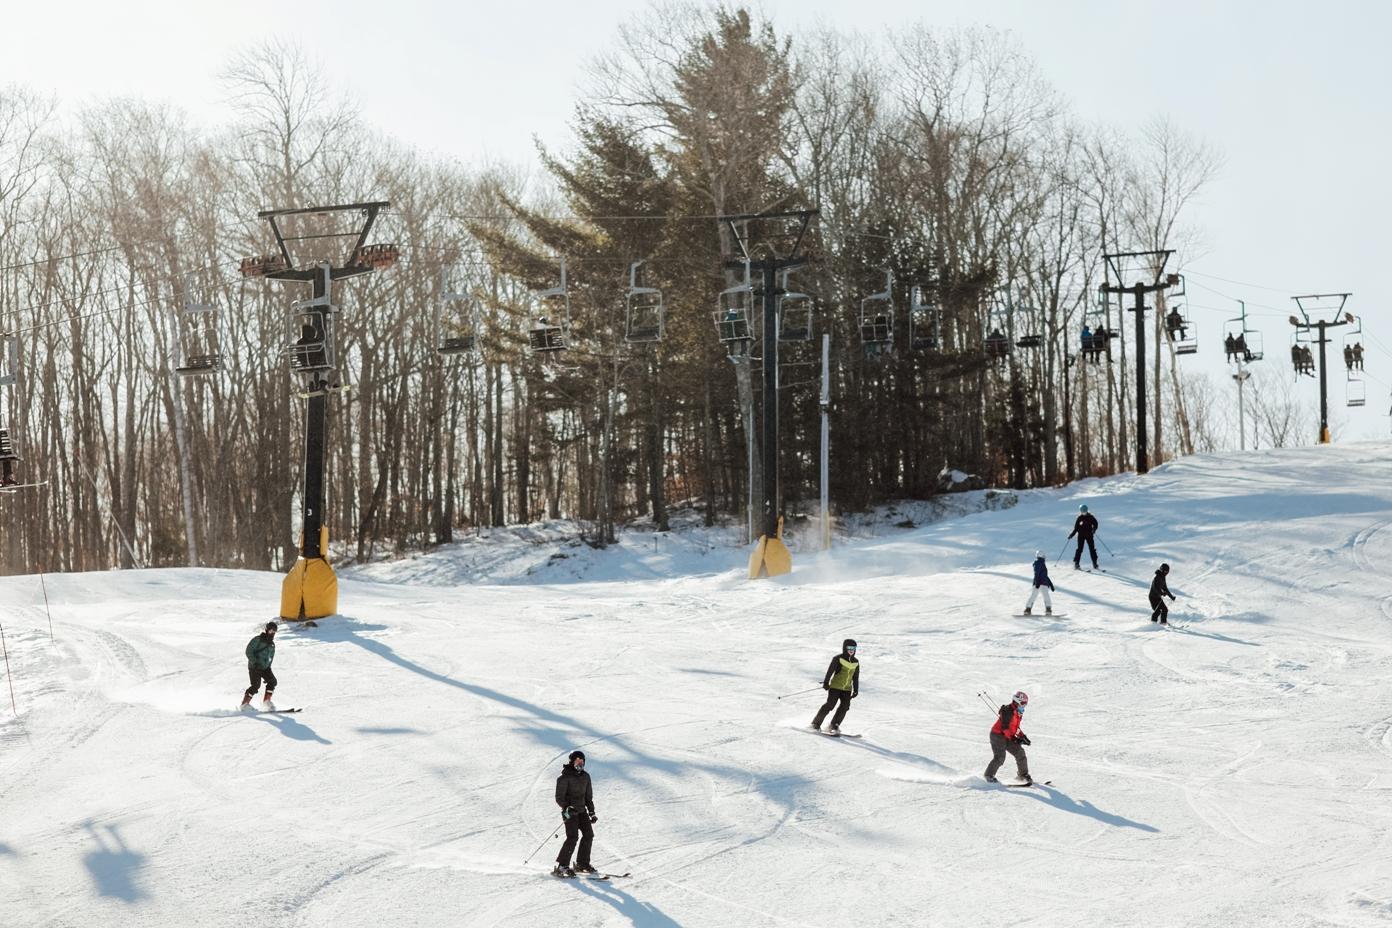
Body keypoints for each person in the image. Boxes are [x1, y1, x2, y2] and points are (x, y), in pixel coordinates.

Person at [552, 750, 597, 877]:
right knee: (573, 837)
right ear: (572, 762)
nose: (580, 764)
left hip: (582, 811)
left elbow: (588, 797)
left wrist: (592, 812)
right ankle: (562, 866)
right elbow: (559, 797)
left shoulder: (586, 776)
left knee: (589, 835)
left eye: (582, 762)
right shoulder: (564, 777)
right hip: (569, 812)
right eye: (577, 761)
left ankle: (582, 863)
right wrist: (567, 807)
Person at [811, 639, 860, 735]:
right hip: (835, 687)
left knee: (845, 707)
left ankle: (834, 725)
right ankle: (815, 724)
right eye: (849, 648)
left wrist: (856, 689)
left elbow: (856, 677)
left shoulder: (856, 662)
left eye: (853, 648)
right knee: (830, 705)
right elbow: (830, 671)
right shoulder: (838, 658)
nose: (851, 650)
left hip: (847, 689)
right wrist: (826, 682)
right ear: (845, 648)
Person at [984, 690, 1032, 785]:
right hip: (997, 736)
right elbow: (1005, 728)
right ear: (1016, 701)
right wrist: (1015, 739)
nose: (1024, 706)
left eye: (1025, 704)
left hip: (1007, 736)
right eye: (1022, 703)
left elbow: (1014, 727)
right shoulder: (1008, 711)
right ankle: (988, 775)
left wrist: (1022, 736)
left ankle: (1023, 775)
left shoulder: (1018, 713)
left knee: (1020, 753)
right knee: (1000, 757)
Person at [240, 621, 279, 710]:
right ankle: (244, 705)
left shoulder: (272, 645)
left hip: (265, 668)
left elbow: (270, 658)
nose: (272, 633)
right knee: (255, 686)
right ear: (266, 630)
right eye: (271, 631)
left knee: (272, 681)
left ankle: (266, 703)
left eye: (274, 632)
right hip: (255, 667)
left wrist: (268, 669)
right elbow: (248, 651)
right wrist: (255, 662)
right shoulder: (258, 639)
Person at [1067, 503, 1099, 570]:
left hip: (1089, 535)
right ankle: (1076, 563)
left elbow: (1096, 524)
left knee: (1092, 549)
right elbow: (1076, 528)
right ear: (1080, 511)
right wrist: (1071, 535)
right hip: (1081, 536)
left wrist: (1094, 529)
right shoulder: (1079, 518)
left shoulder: (1091, 517)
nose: (1084, 513)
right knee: (1079, 549)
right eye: (1082, 512)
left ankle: (1095, 563)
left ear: (1087, 511)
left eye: (1085, 511)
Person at [1023, 551, 1054, 616]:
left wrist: (1051, 584)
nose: (1045, 557)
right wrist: (1037, 582)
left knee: (1043, 596)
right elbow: (1036, 573)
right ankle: (1028, 609)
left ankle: (1048, 609)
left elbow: (1044, 575)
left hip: (1043, 583)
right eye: (1044, 556)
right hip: (1039, 583)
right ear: (1042, 556)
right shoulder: (1038, 563)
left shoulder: (1041, 563)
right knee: (1037, 595)